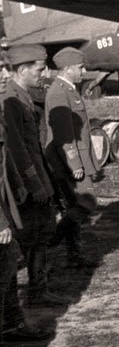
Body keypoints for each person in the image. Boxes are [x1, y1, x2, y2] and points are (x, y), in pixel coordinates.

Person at [1, 44, 67, 308]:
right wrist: (33, 184)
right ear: (22, 69)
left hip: (38, 178)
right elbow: (16, 148)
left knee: (40, 235)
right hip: (25, 186)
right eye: (40, 69)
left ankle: (40, 290)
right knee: (29, 239)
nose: (45, 73)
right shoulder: (10, 100)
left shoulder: (24, 96)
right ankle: (32, 295)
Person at [43, 47, 100, 269]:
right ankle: (52, 240)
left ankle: (74, 254)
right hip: (67, 160)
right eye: (80, 67)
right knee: (87, 201)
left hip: (71, 158)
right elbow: (64, 134)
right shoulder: (59, 92)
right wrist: (75, 163)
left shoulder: (67, 89)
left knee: (74, 205)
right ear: (67, 69)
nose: (83, 71)